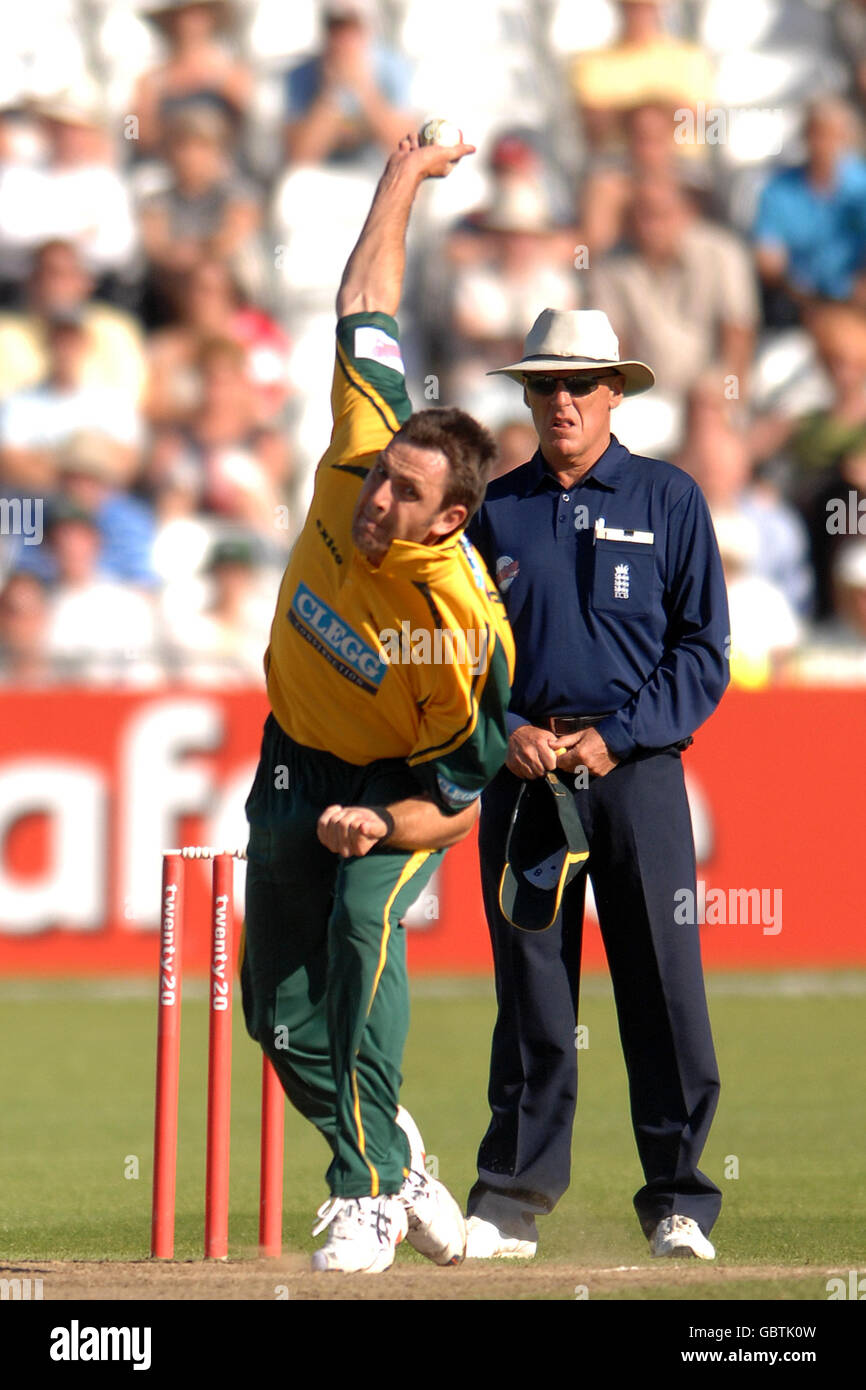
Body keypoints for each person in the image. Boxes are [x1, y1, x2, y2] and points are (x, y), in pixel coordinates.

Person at [240, 133, 515, 1275]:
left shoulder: (463, 629)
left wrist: (380, 825)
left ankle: (357, 1193)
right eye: (382, 470)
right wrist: (402, 174)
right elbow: (365, 300)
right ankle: (399, 1158)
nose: (374, 497)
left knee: (363, 926)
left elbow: (459, 801)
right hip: (295, 756)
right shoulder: (362, 445)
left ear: (449, 518)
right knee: (276, 1012)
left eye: (405, 492)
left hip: (397, 790)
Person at [462, 307, 729, 1261]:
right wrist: (511, 733)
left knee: (662, 983)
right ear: (527, 397)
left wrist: (616, 738)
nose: (561, 400)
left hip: (637, 774)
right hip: (528, 776)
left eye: (579, 383)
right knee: (533, 986)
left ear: (617, 390)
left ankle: (679, 1202)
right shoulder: (494, 509)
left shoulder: (669, 498)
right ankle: (512, 1199)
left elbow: (705, 654)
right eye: (543, 385)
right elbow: (461, 660)